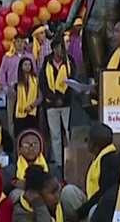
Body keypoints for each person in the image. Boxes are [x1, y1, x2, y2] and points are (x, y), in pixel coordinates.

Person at [39, 39, 73, 167]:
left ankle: (70, 161)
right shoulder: (46, 62)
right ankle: (59, 163)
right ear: (53, 49)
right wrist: (53, 98)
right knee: (55, 135)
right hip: (51, 103)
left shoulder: (69, 61)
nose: (61, 51)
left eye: (62, 48)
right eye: (59, 48)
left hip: (67, 103)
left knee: (69, 133)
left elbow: (72, 80)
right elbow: (43, 83)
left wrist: (63, 98)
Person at [85, 123, 117, 199]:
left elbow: (103, 193)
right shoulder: (98, 158)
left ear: (94, 144)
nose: (86, 142)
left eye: (87, 139)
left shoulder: (109, 160)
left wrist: (83, 209)